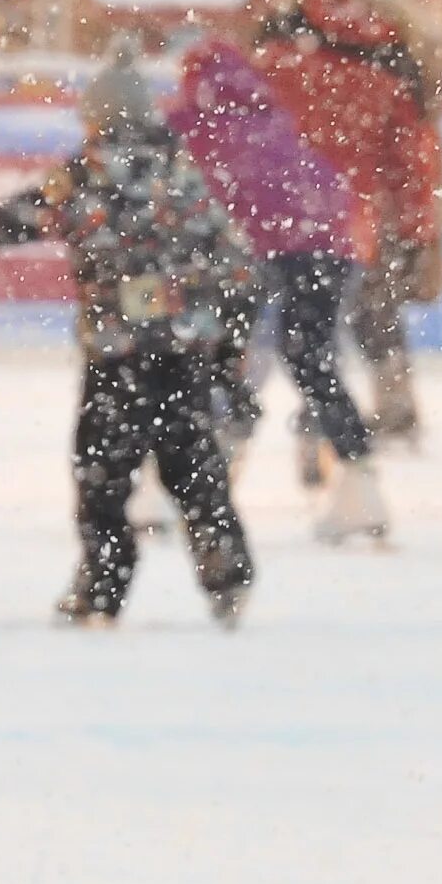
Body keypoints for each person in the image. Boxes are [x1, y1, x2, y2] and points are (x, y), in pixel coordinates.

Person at [0, 46, 261, 625]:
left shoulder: (86, 173)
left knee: (102, 472)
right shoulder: (183, 173)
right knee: (193, 464)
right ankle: (225, 569)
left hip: (118, 353)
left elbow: (21, 217)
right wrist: (229, 345)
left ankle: (103, 581)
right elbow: (235, 262)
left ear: (99, 117)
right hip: (186, 348)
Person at [167, 33, 389, 543]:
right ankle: (361, 487)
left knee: (219, 358)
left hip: (253, 249)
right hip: (330, 244)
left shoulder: (192, 124)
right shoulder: (274, 114)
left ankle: (208, 478)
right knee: (312, 360)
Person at [253, 0, 442, 441]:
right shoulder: (396, 52)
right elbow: (412, 155)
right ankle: (387, 409)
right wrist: (418, 227)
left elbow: (244, 118)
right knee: (370, 310)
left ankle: (229, 419)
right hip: (357, 212)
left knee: (262, 319)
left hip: (272, 204)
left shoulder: (281, 32)